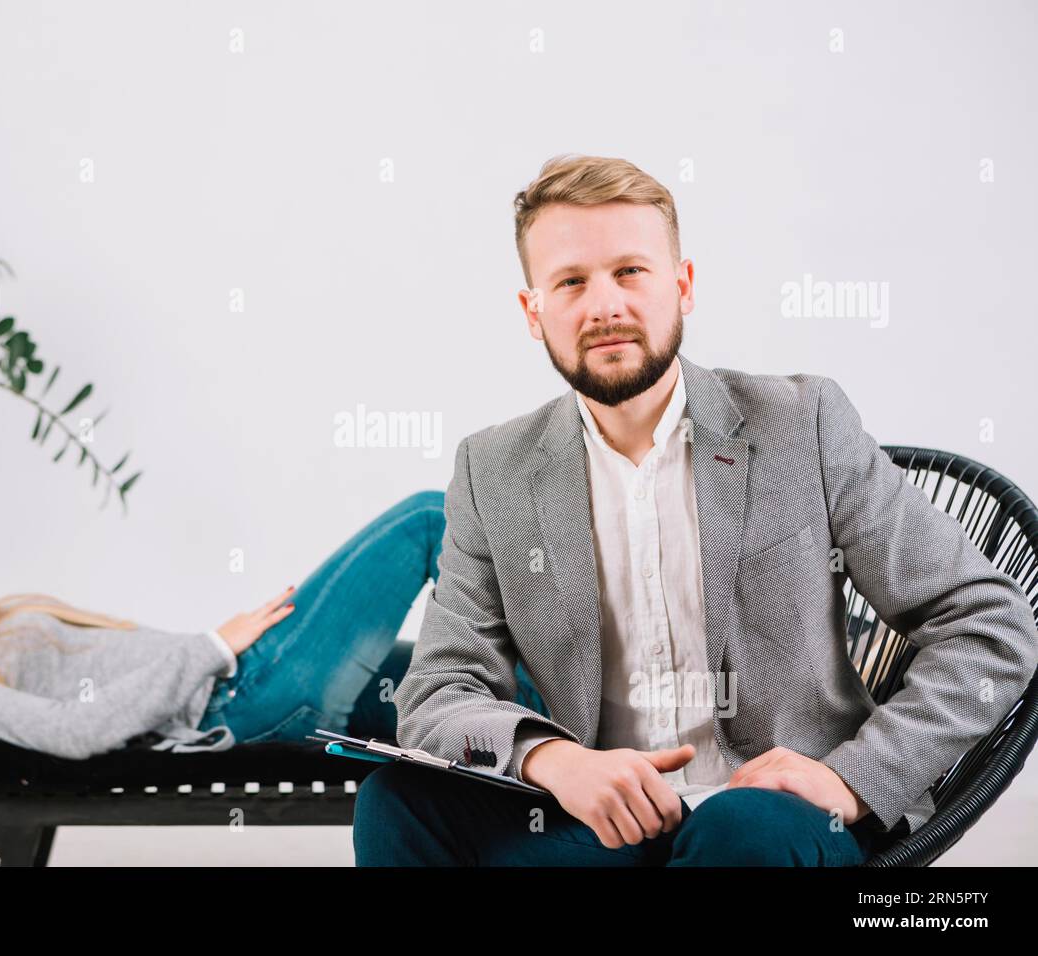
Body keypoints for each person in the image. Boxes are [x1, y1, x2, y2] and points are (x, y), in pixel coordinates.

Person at [351, 154, 1038, 866]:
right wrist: (551, 760)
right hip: (601, 825)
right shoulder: (491, 469)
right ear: (535, 311)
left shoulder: (802, 424)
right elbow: (437, 691)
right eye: (571, 282)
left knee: (738, 831)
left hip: (780, 817)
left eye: (630, 271)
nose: (604, 305)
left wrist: (851, 779)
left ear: (682, 286)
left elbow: (991, 625)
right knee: (397, 800)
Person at [0, 492, 551, 761]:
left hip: (237, 679)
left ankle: (609, 737)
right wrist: (215, 648)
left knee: (452, 685)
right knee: (427, 518)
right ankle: (572, 622)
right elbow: (66, 734)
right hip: (239, 698)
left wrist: (221, 648)